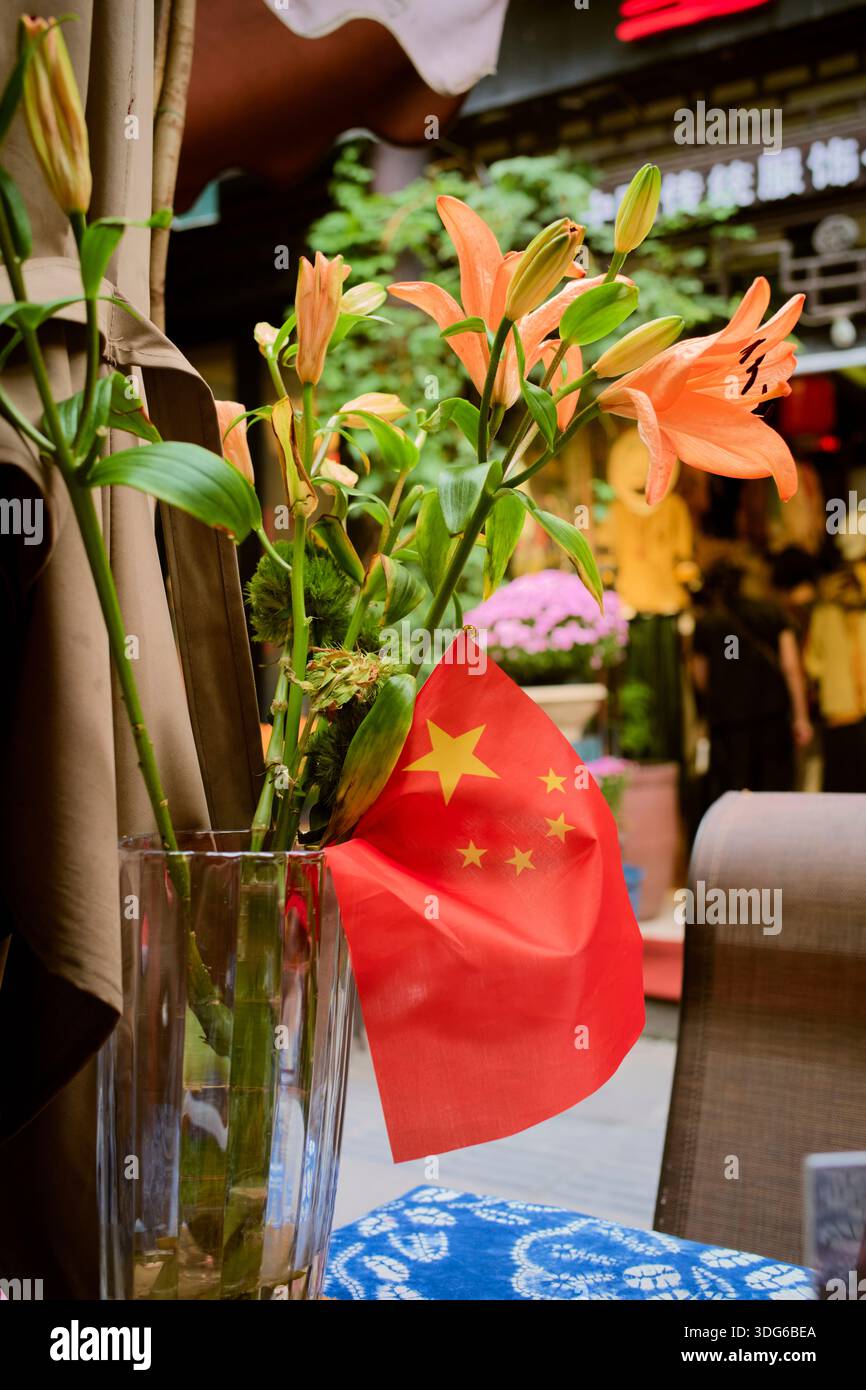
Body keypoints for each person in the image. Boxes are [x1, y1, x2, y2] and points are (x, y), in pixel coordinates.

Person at [692, 561, 812, 805]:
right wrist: (801, 716)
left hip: (728, 725)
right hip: (772, 720)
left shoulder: (708, 622)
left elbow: (699, 676)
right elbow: (791, 667)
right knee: (774, 795)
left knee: (733, 797)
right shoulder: (774, 614)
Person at [804, 563, 866, 792]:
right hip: (846, 708)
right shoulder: (829, 615)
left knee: (843, 785)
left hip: (838, 707)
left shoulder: (823, 614)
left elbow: (812, 663)